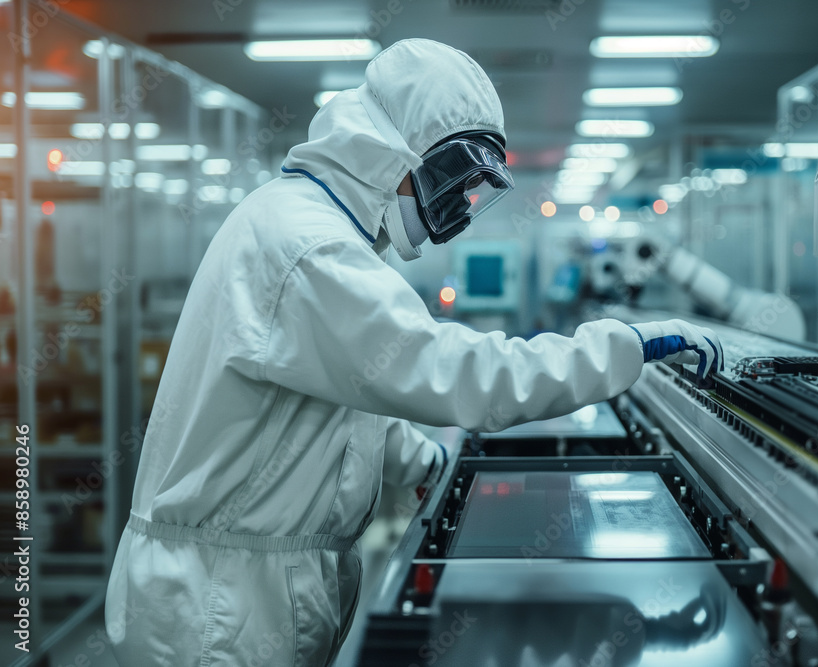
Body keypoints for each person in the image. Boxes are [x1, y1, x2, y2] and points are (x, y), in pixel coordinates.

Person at [105, 38, 723, 666]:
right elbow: (459, 374)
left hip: (248, 584)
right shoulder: (310, 246)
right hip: (221, 609)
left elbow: (341, 401)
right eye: (448, 177)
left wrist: (422, 462)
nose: (453, 204)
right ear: (386, 150)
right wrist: (629, 346)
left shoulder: (312, 228)